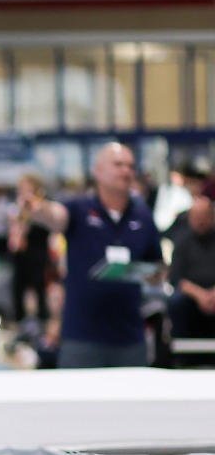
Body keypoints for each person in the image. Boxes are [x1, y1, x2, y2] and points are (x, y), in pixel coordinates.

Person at [33, 143, 165, 368]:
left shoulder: (143, 216)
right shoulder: (79, 209)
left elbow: (158, 268)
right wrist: (38, 209)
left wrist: (143, 273)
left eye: (130, 166)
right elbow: (55, 217)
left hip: (129, 335)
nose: (125, 171)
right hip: (82, 336)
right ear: (98, 172)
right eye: (118, 165)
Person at [164, 182, 215, 347]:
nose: (200, 221)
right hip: (191, 294)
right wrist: (200, 295)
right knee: (175, 302)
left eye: (204, 216)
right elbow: (176, 278)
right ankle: (180, 352)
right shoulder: (182, 242)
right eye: (196, 217)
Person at [7, 175, 54, 334]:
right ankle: (19, 321)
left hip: (37, 250)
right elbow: (15, 226)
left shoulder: (41, 205)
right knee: (17, 287)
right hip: (20, 254)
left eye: (26, 187)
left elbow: (44, 226)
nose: (22, 191)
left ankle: (43, 321)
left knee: (39, 286)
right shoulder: (17, 205)